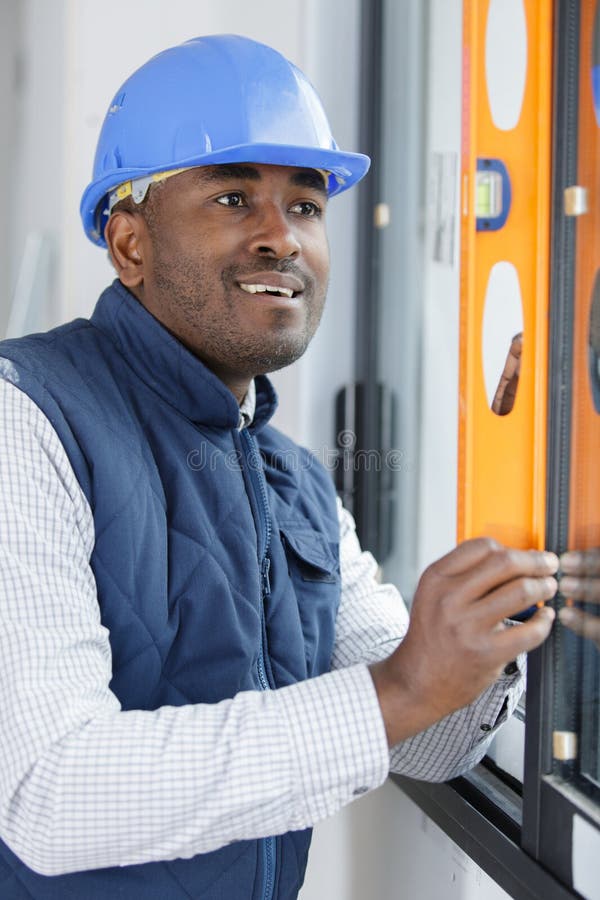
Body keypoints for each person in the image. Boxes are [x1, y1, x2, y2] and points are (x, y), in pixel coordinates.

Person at [0, 35, 558, 899]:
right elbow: (49, 794)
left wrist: (517, 543)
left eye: (306, 207)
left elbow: (430, 734)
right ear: (129, 242)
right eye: (233, 197)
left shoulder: (294, 481)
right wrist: (400, 689)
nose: (281, 239)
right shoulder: (26, 417)